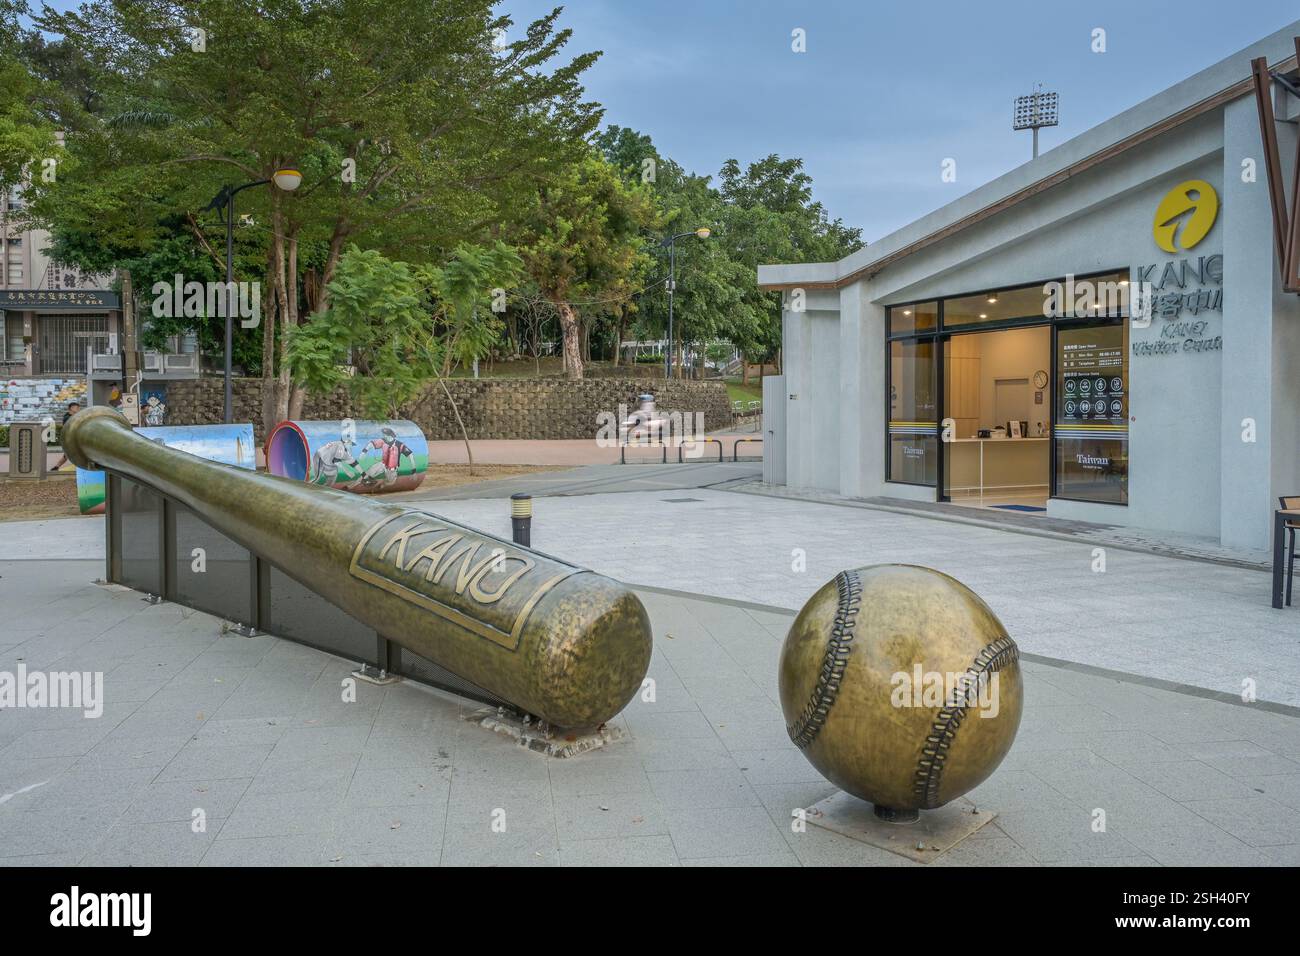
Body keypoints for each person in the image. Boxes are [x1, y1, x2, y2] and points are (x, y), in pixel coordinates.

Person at [51, 401, 81, 470]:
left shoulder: (73, 416)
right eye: (77, 408)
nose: (78, 409)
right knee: (69, 454)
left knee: (67, 455)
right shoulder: (67, 417)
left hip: (72, 439)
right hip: (68, 439)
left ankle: (56, 467)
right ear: (72, 408)